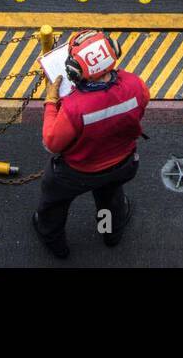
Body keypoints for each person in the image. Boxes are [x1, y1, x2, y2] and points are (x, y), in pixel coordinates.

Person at [34, 30, 151, 259]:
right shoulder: (136, 85)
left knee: (54, 205)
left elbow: (52, 143)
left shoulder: (74, 108)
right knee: (109, 199)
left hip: (77, 174)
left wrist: (51, 102)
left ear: (75, 71)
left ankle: (56, 246)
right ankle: (109, 234)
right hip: (122, 166)